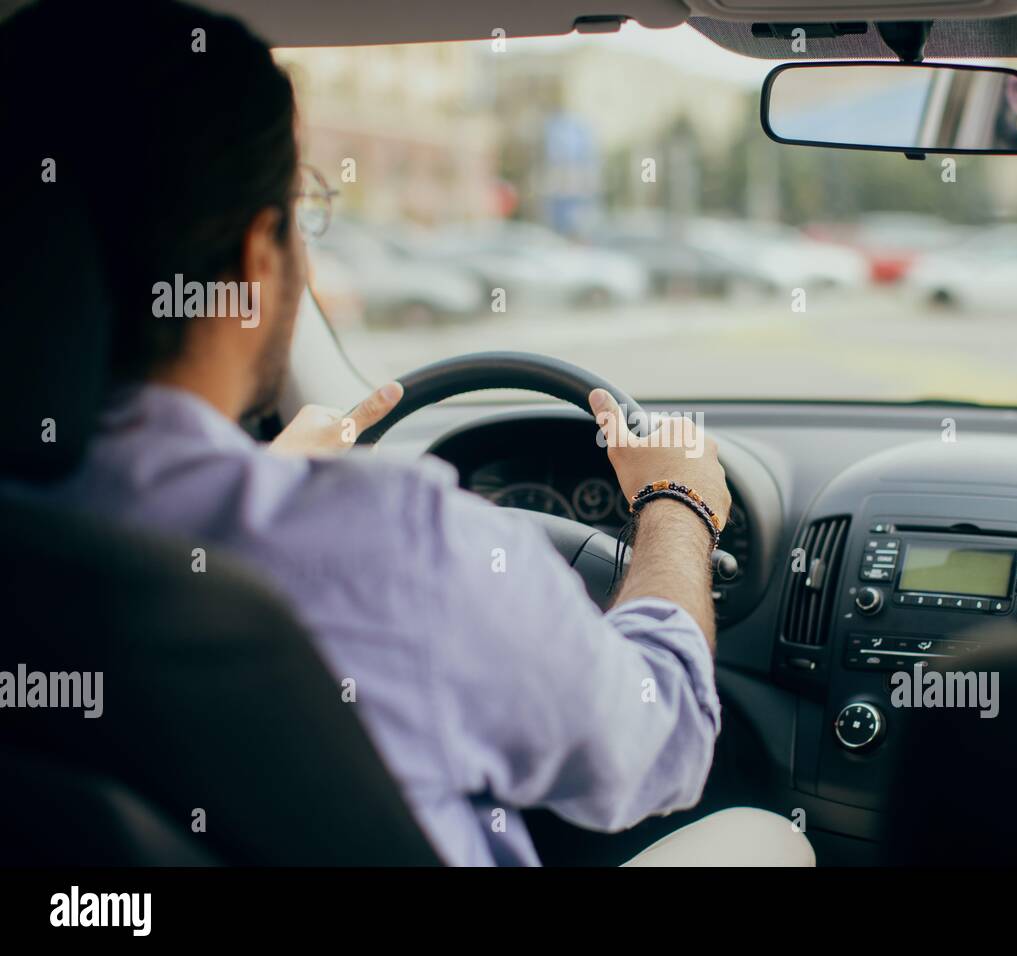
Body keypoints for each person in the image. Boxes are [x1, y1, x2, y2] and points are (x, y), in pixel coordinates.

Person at [0, 0, 813, 866]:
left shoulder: (68, 541)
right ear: (258, 258)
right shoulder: (389, 542)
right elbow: (663, 743)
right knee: (764, 840)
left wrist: (254, 490)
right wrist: (677, 503)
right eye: (303, 211)